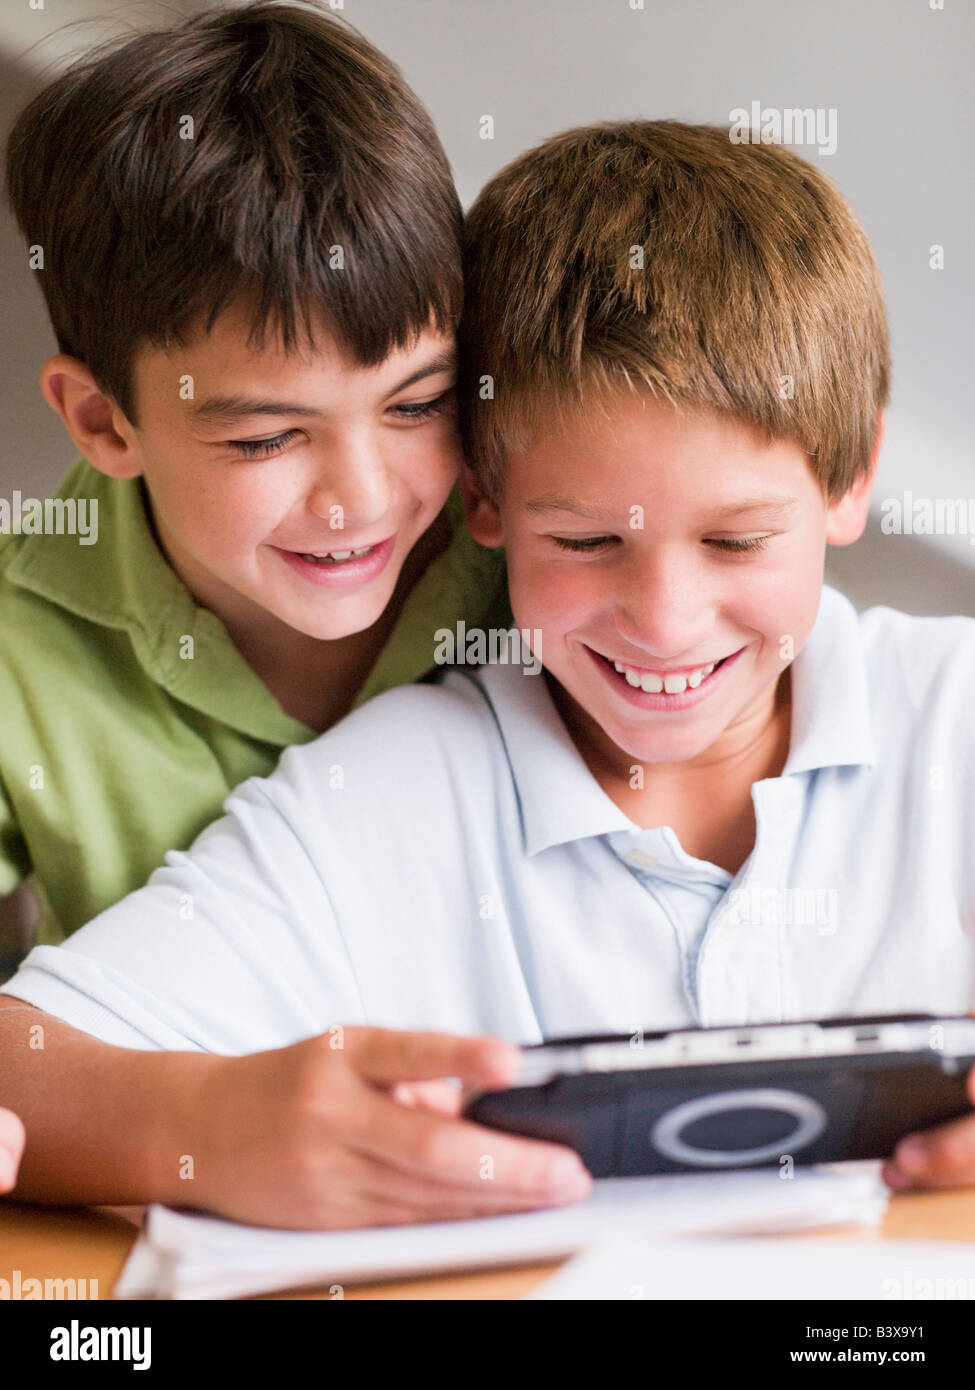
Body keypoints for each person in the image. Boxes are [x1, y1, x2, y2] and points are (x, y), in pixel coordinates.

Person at [3, 121, 973, 1229]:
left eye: (736, 542)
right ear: (485, 506)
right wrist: (207, 1123)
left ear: (852, 481)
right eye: (586, 542)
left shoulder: (954, 719)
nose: (664, 620)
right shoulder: (381, 795)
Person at [0, 0, 509, 952]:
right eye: (267, 438)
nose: (360, 497)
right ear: (103, 422)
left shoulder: (556, 562)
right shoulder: (15, 654)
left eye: (415, 405)